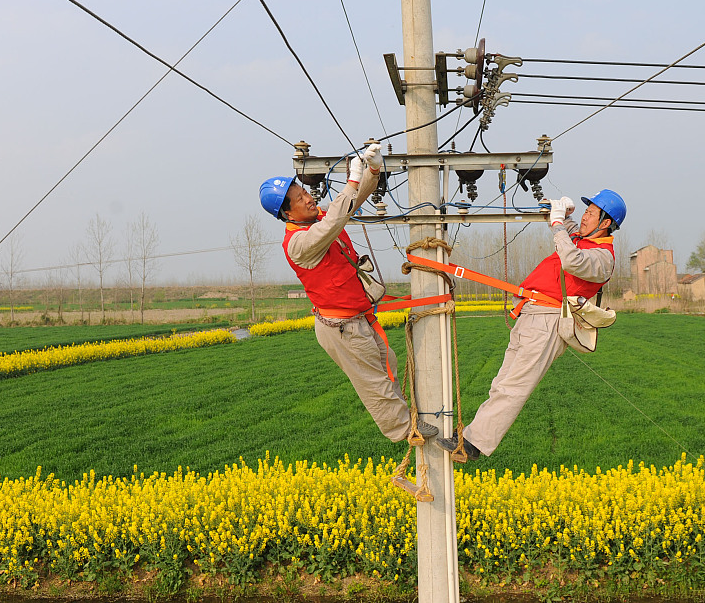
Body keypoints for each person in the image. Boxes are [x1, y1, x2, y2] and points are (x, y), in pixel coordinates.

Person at [258, 144, 437, 443]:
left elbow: (349, 203)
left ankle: (407, 418)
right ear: (287, 212)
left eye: (304, 191)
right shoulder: (298, 243)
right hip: (341, 327)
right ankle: (405, 430)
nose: (309, 197)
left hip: (359, 318)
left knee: (387, 364)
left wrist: (372, 172)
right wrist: (352, 180)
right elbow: (335, 219)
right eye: (300, 198)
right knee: (373, 382)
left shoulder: (320, 220)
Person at [437, 188, 625, 460]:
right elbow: (570, 233)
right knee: (502, 383)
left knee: (514, 385)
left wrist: (558, 223)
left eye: (590, 213)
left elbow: (571, 260)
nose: (585, 217)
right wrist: (561, 213)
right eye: (585, 211)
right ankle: (472, 437)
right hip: (531, 315)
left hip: (548, 321)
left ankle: (473, 443)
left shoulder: (602, 257)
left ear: (606, 223)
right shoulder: (583, 241)